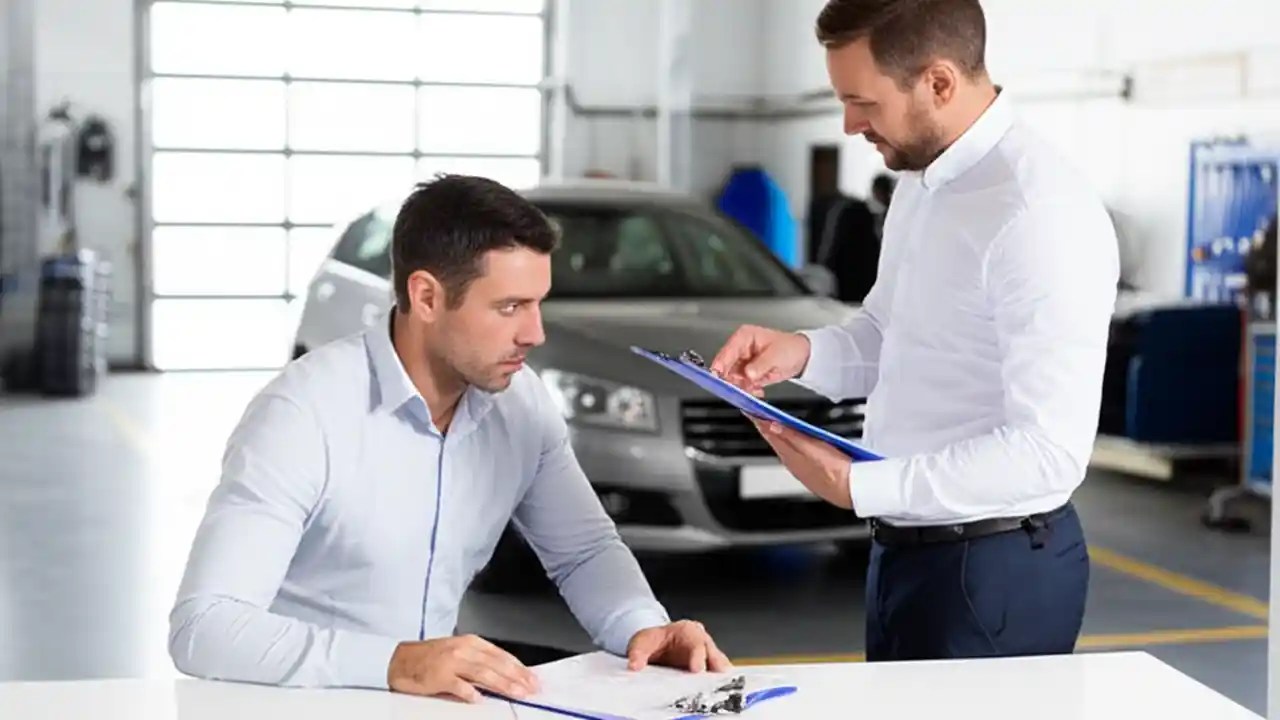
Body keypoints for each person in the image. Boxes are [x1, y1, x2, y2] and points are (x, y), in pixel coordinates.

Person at [169, 175, 731, 702]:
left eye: (538, 304)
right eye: (509, 307)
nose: (534, 333)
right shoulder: (302, 413)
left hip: (433, 701)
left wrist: (645, 627)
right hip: (309, 700)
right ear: (428, 298)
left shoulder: (521, 402)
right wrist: (395, 663)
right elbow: (206, 626)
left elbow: (583, 552)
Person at [711, 0, 1117, 662]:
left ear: (939, 82)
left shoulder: (1037, 214)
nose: (848, 125)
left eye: (861, 102)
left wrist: (859, 485)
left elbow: (1049, 449)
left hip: (994, 570)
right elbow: (888, 333)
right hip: (906, 556)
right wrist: (801, 352)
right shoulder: (923, 182)